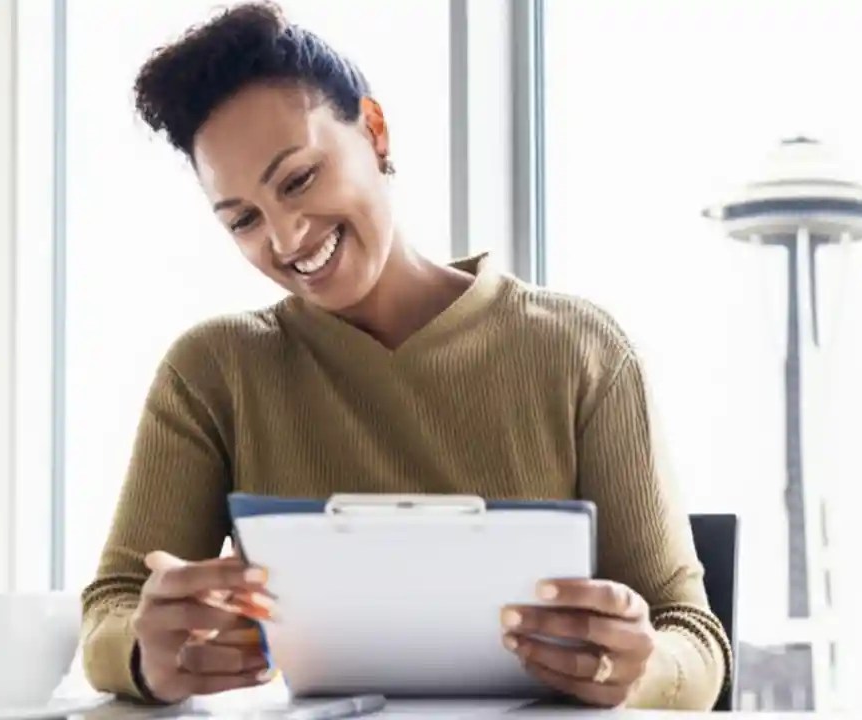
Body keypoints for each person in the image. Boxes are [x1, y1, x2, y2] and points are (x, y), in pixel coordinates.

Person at [81, 1, 730, 710]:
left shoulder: (580, 350)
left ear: (376, 132)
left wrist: (639, 666)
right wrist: (149, 653)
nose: (288, 236)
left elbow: (692, 639)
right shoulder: (215, 371)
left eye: (298, 179)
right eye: (243, 219)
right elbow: (113, 606)